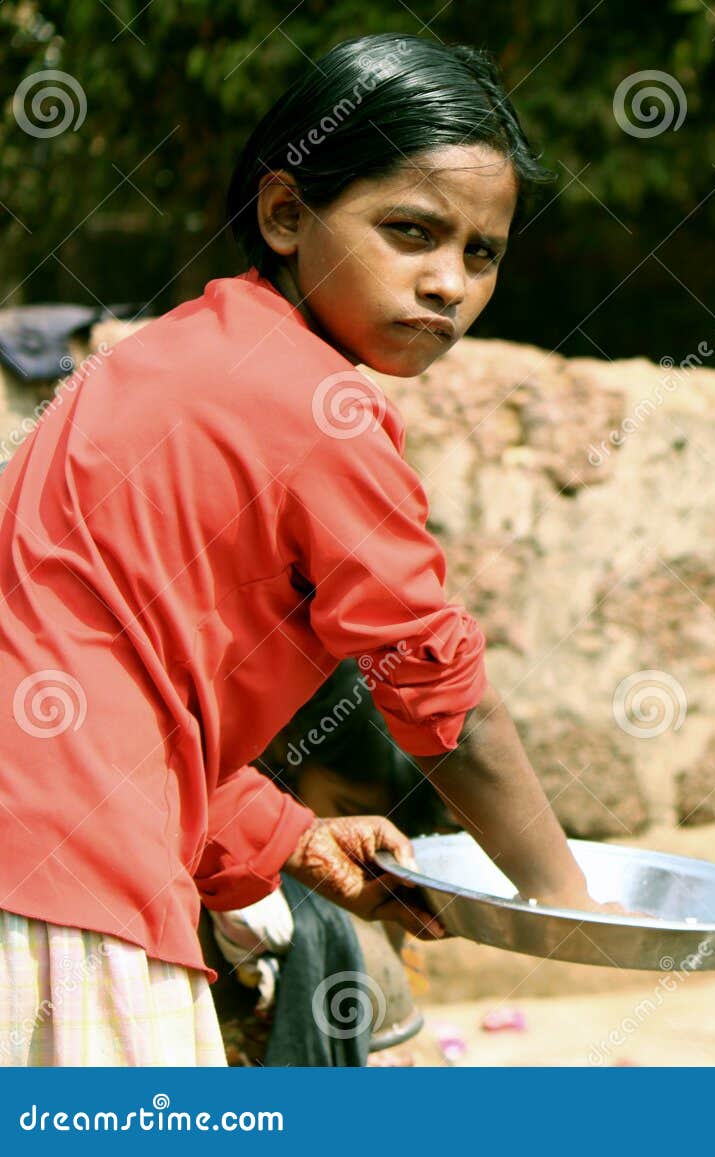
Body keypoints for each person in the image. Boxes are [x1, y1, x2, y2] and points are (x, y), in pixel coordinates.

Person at [0, 34, 600, 1066]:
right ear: (285, 214)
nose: (448, 282)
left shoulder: (158, 361)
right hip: (61, 878)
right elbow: (440, 693)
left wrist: (289, 837)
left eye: (481, 252)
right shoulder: (319, 405)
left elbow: (121, 689)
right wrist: (566, 896)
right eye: (410, 232)